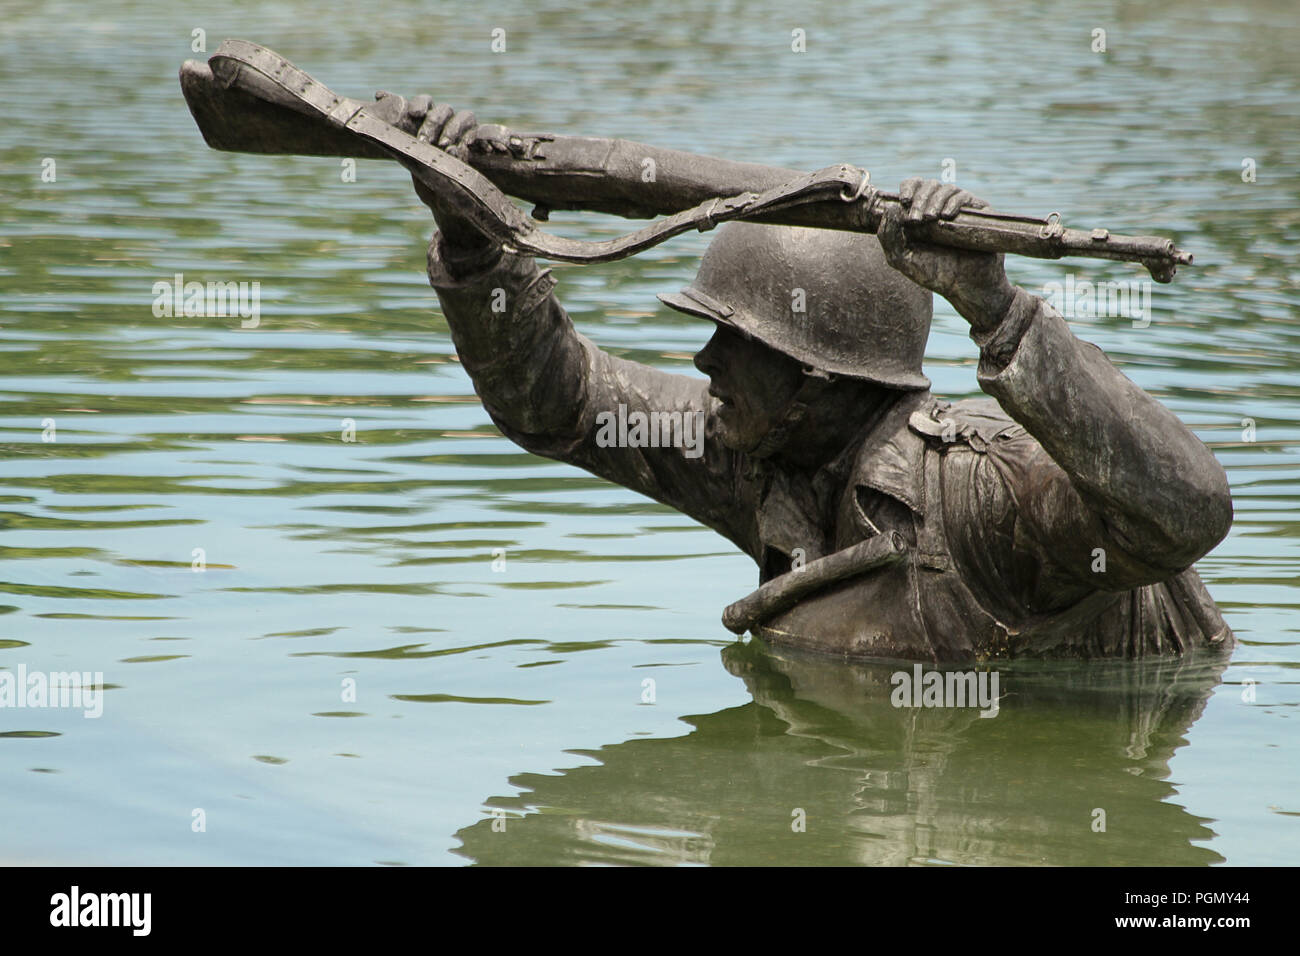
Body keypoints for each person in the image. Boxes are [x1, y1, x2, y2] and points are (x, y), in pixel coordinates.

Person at [385, 96, 1234, 662]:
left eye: (734, 340)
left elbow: (1187, 510)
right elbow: (559, 403)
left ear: (821, 380)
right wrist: (473, 241)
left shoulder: (984, 488)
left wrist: (1000, 311)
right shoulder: (749, 445)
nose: (705, 362)